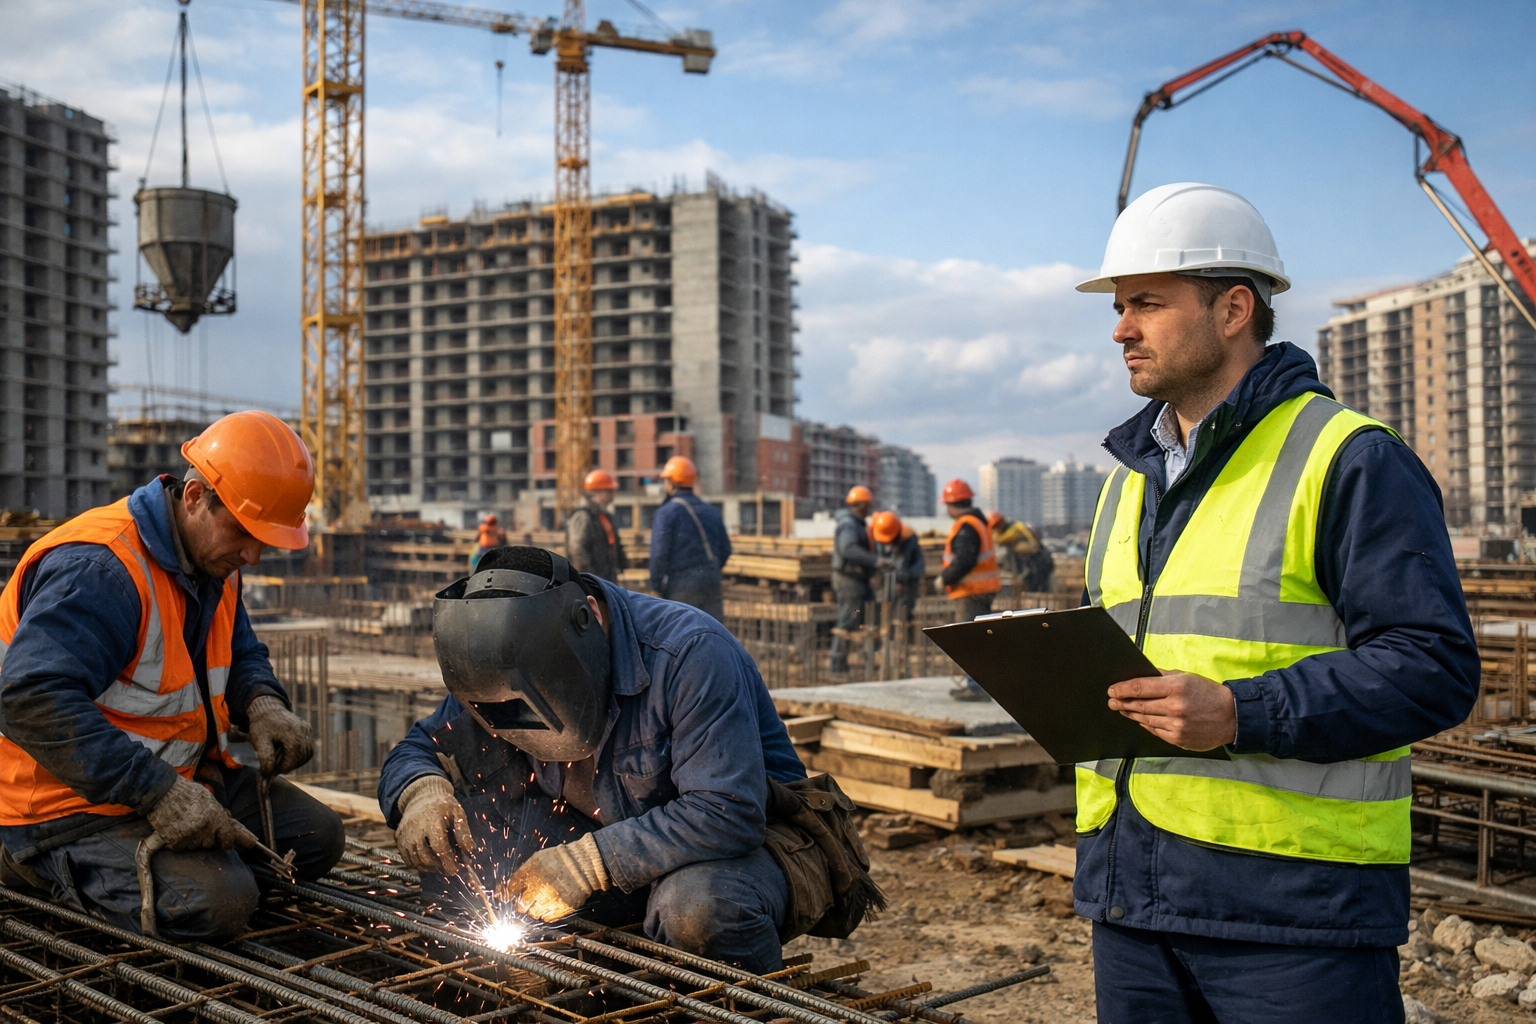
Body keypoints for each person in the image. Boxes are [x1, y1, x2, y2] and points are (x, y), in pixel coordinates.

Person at [1072, 182, 1479, 1023]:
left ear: (1233, 309)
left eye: (1146, 302)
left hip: (1295, 920)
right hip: (1130, 902)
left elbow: (1433, 667)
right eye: (1118, 305)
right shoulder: (1125, 487)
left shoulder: (1348, 458)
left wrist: (1238, 712)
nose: (1120, 328)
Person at [378, 546, 807, 973]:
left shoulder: (690, 654)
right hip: (607, 841)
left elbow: (729, 811)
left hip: (740, 852)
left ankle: (750, 1008)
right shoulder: (501, 663)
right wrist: (421, 792)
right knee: (471, 843)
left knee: (693, 908)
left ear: (588, 619)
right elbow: (420, 748)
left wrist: (588, 863)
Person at [0, 411, 345, 941]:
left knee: (318, 837)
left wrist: (261, 702)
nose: (252, 555)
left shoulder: (211, 560)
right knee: (219, 902)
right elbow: (29, 697)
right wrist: (157, 793)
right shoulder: (103, 571)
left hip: (172, 779)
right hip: (62, 803)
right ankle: (29, 865)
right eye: (245, 533)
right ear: (193, 497)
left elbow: (239, 648)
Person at [937, 479, 1000, 700]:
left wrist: (944, 578)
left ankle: (976, 688)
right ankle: (976, 686)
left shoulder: (967, 525)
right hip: (979, 589)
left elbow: (965, 560)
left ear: (953, 504)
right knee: (976, 638)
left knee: (971, 641)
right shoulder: (977, 521)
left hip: (971, 590)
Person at [648, 457, 731, 622]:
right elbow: (726, 550)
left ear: (671, 483)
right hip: (712, 584)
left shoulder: (666, 512)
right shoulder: (711, 511)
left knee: (681, 639)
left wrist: (656, 587)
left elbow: (659, 554)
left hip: (682, 587)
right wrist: (708, 571)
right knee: (713, 636)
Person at [829, 486, 884, 674]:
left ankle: (871, 659)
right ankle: (837, 667)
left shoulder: (856, 523)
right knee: (848, 621)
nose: (869, 509)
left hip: (858, 581)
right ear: (861, 505)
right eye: (867, 505)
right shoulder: (849, 524)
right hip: (849, 582)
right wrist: (875, 561)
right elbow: (848, 549)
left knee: (870, 615)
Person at [566, 469, 627, 583]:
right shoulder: (583, 516)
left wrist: (622, 562)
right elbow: (577, 548)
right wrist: (589, 576)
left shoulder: (603, 516)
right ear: (599, 491)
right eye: (610, 491)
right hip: (592, 580)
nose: (612, 495)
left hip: (605, 577)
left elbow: (611, 543)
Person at [870, 510, 924, 622]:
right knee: (883, 614)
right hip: (893, 578)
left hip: (909, 578)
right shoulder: (880, 526)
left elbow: (902, 563)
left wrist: (900, 581)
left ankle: (901, 630)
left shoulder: (907, 537)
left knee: (901, 613)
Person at [987, 511, 1054, 594]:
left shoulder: (1015, 529)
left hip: (1035, 561)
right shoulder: (1007, 532)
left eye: (996, 526)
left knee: (1039, 587)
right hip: (1032, 562)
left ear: (1001, 523)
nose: (996, 529)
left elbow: (1001, 539)